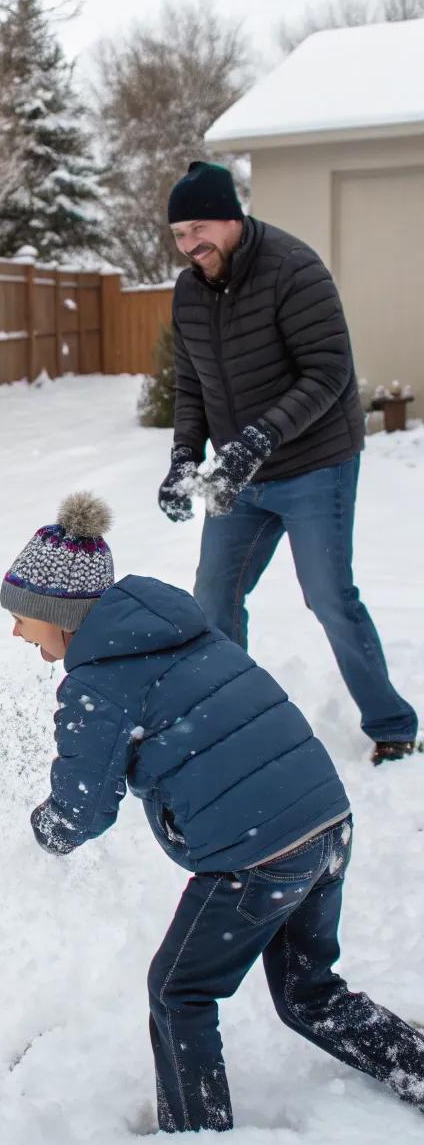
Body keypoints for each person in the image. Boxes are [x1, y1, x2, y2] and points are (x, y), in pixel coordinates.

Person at [2, 489, 424, 1132]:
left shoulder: (98, 681)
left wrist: (40, 836)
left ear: (60, 614)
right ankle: (415, 1068)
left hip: (257, 856)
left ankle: (198, 1142)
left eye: (22, 615)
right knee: (309, 992)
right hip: (325, 823)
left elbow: (82, 811)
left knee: (179, 991)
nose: (15, 630)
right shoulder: (182, 630)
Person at [158, 159, 417, 766]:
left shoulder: (293, 270)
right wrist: (182, 457)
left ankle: (393, 723)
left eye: (198, 228)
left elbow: (329, 374)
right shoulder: (189, 291)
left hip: (315, 465)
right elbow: (191, 383)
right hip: (240, 474)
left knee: (328, 596)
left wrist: (254, 442)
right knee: (213, 597)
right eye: (177, 233)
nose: (189, 244)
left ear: (231, 218)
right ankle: (230, 720)